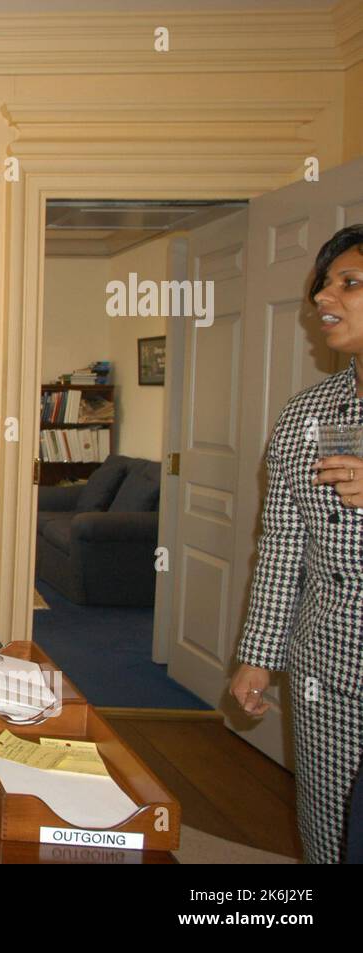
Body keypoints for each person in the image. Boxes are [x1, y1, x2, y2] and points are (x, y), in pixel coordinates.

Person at [229, 224, 363, 864]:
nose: (322, 297)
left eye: (350, 282)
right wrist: (259, 656)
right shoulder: (307, 414)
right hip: (328, 672)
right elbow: (283, 547)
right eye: (324, 283)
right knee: (331, 840)